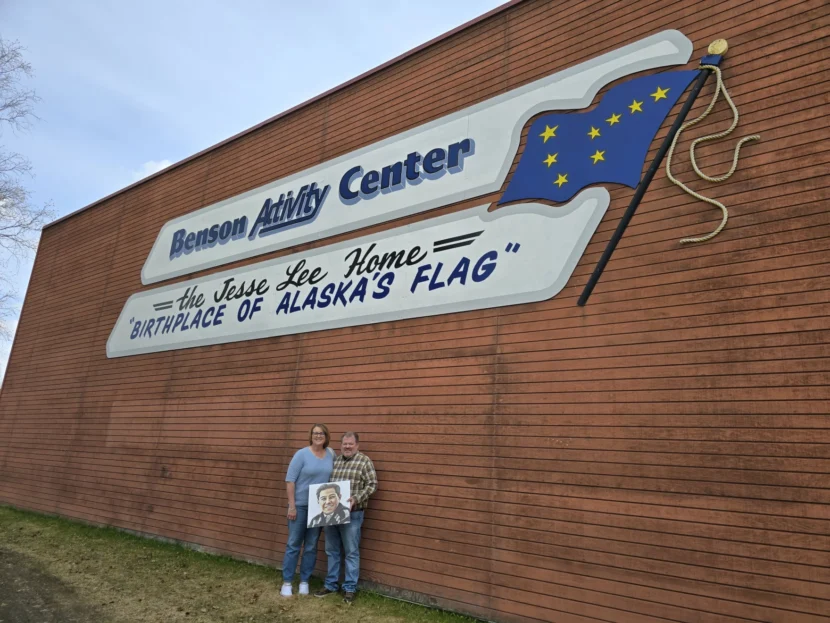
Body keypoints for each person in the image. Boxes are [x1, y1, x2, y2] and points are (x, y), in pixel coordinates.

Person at [314, 432, 377, 604]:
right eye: (344, 444)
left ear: (357, 445)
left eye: (350, 444)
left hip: (353, 513)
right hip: (332, 514)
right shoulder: (336, 461)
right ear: (340, 445)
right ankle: (331, 584)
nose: (347, 447)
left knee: (351, 551)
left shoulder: (364, 461)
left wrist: (356, 498)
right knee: (332, 550)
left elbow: (372, 485)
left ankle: (349, 588)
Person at [281, 423, 334, 598]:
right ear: (310, 436)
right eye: (315, 433)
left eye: (321, 433)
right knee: (294, 544)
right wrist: (292, 505)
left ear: (326, 436)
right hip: (301, 506)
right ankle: (287, 582)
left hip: (319, 508)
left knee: (311, 546)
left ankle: (304, 581)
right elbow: (290, 481)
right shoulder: (301, 454)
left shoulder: (331, 454)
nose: (318, 436)